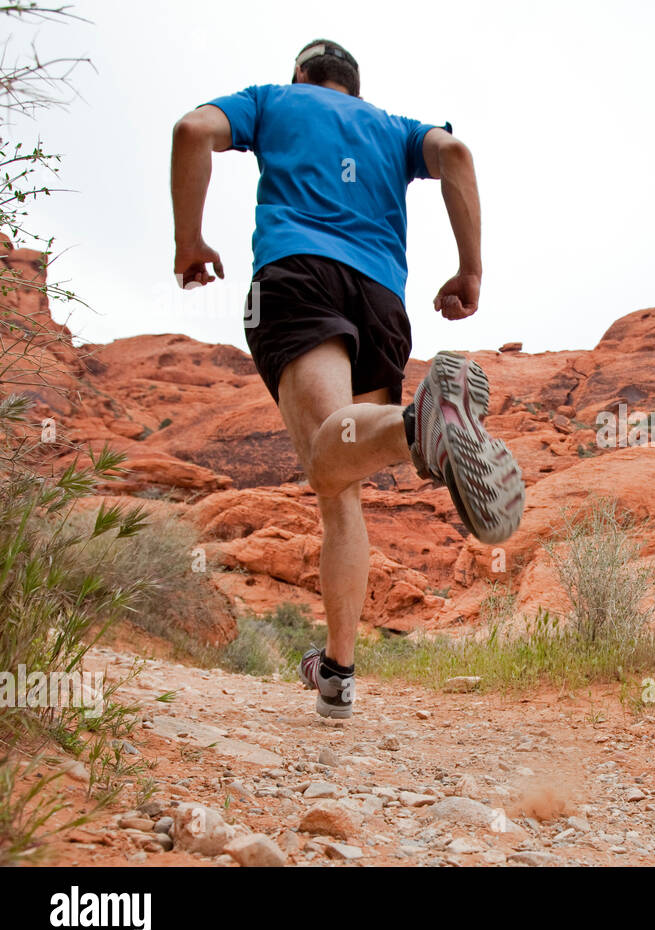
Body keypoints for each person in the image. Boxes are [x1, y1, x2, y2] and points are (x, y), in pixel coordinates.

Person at [169, 39, 524, 720]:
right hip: (383, 297)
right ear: (354, 88)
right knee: (345, 481)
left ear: (301, 75)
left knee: (328, 465)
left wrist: (190, 239)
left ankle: (421, 424)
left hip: (297, 274)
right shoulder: (394, 128)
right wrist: (470, 269)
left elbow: (191, 131)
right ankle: (337, 671)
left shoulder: (273, 101)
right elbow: (456, 155)